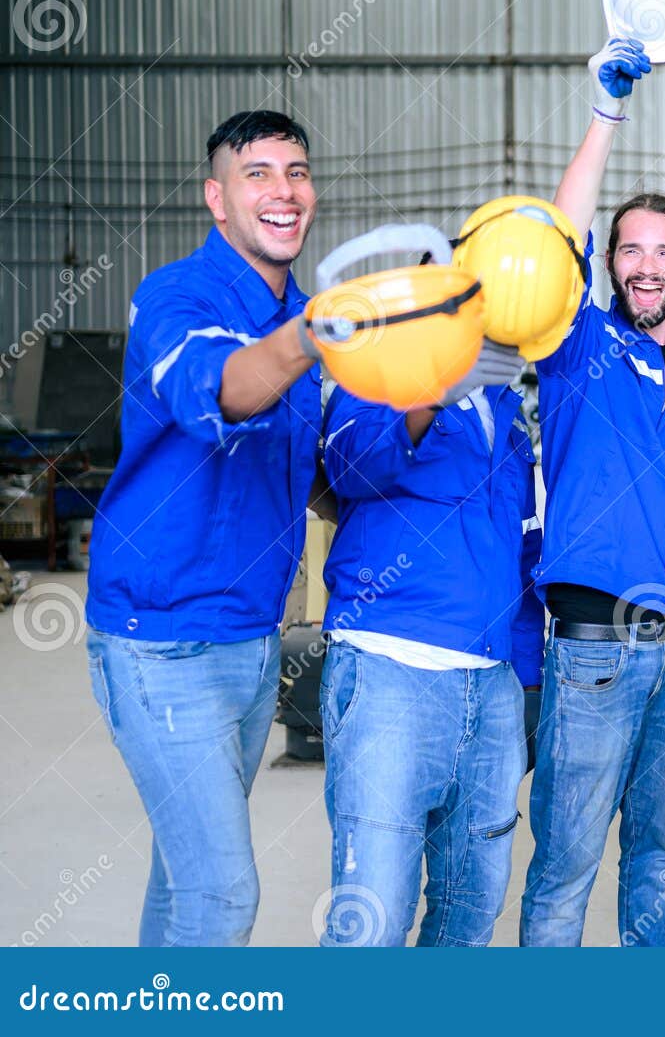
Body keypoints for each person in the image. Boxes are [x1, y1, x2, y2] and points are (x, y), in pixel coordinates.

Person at [85, 110, 323, 946]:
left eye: (296, 171)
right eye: (257, 174)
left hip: (250, 643)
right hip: (163, 643)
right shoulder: (175, 297)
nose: (283, 190)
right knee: (223, 894)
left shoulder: (299, 315)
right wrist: (319, 335)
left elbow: (318, 473)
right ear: (216, 199)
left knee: (183, 877)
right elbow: (225, 385)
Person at [519, 38, 665, 947]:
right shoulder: (581, 347)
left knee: (657, 853)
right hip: (597, 648)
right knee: (567, 864)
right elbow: (559, 243)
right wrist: (607, 113)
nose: (646, 264)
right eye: (629, 250)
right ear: (610, 264)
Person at [316, 342, 540, 947]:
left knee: (470, 910)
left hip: (492, 684)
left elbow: (522, 552)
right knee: (375, 916)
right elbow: (352, 467)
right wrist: (436, 382)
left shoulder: (509, 411)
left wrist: (528, 681)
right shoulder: (378, 374)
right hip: (391, 665)